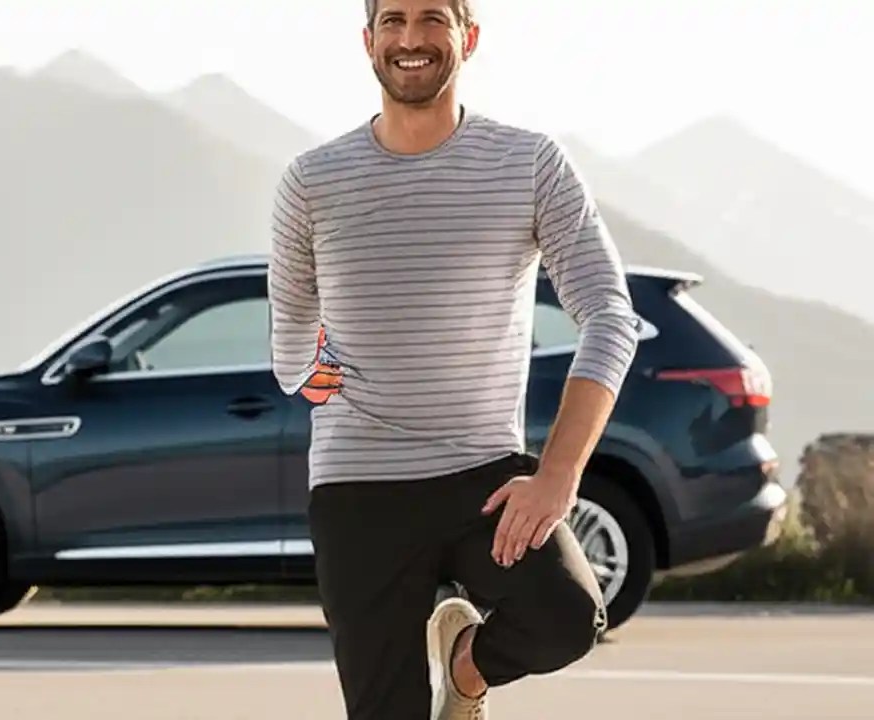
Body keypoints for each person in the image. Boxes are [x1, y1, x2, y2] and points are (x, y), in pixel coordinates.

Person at [266, 1, 643, 718]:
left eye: (432, 18)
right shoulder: (311, 182)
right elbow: (290, 354)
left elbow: (610, 316)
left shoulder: (529, 163)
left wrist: (557, 477)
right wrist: (356, 394)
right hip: (358, 488)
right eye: (394, 20)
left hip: (485, 476)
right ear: (368, 40)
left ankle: (466, 668)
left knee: (566, 616)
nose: (411, 38)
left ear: (467, 37)